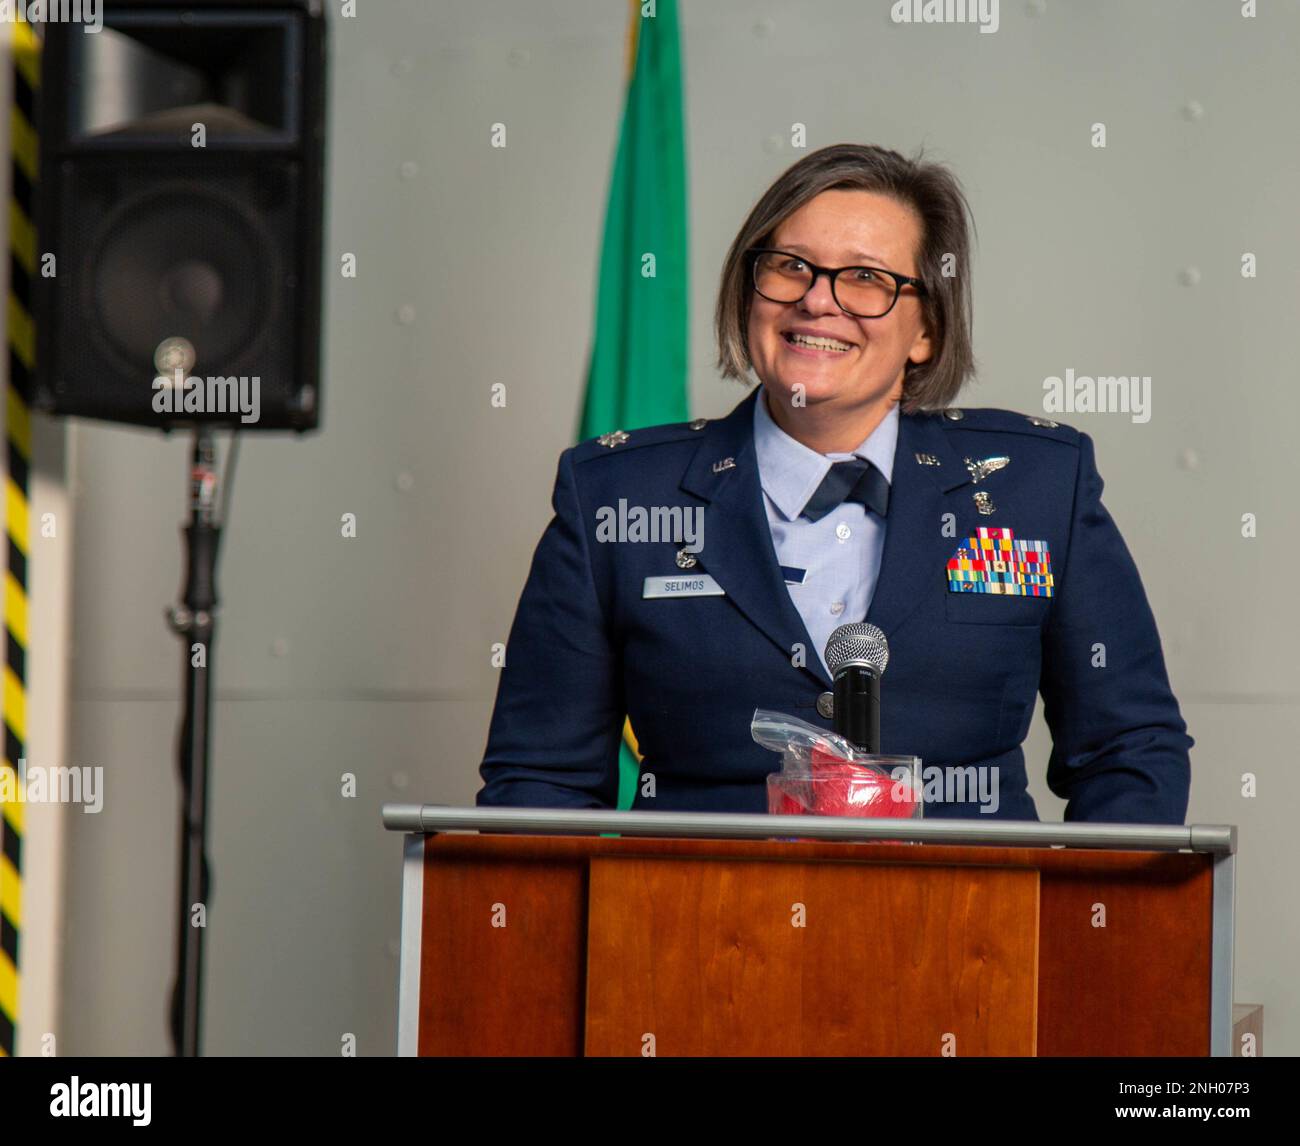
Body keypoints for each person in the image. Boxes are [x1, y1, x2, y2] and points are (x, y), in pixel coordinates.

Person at [476, 143, 1192, 822]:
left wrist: (1081, 935)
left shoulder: (1038, 488)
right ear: (748, 291)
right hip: (694, 932)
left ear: (925, 331)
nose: (819, 301)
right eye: (791, 267)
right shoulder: (615, 496)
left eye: (867, 278)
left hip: (973, 936)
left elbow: (1130, 754)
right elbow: (539, 784)